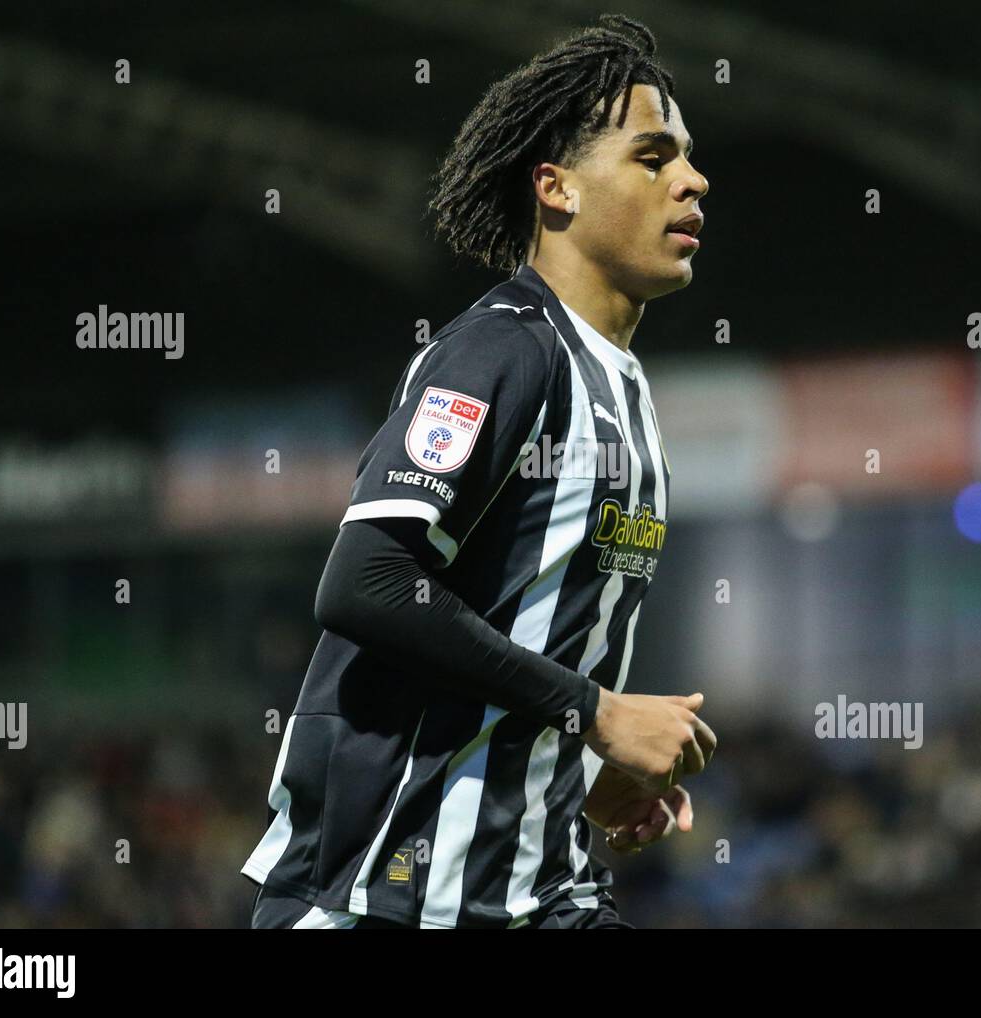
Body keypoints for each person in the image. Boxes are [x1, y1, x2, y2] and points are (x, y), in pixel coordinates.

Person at [242, 13, 716, 929]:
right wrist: (596, 714)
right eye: (653, 157)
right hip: (391, 897)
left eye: (688, 157)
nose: (693, 180)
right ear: (557, 188)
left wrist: (581, 773)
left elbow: (513, 632)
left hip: (542, 887)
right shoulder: (500, 353)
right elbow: (367, 582)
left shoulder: (624, 390)